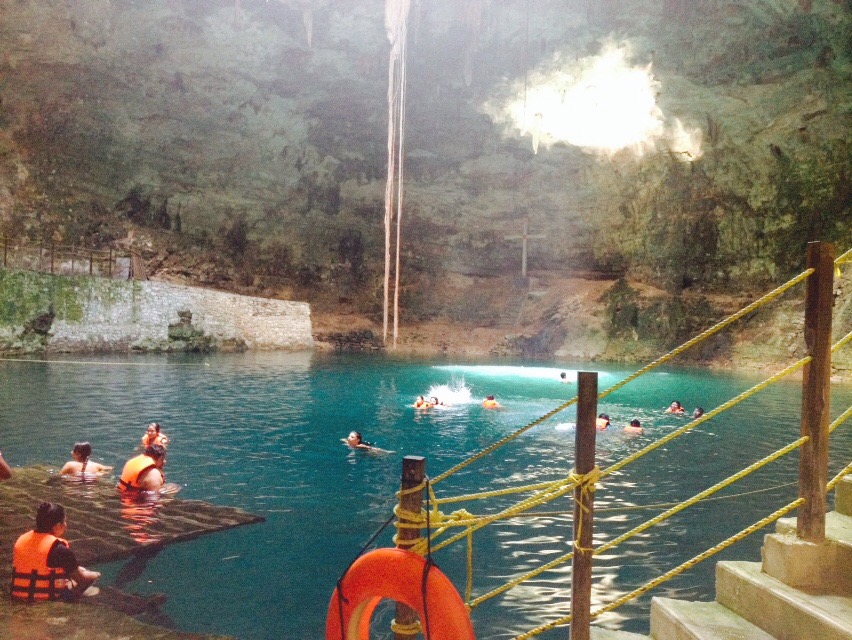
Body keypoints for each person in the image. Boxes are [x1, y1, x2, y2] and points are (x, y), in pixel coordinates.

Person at [11, 502, 101, 602]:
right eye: (64, 521)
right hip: (46, 600)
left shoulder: (21, 540)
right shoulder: (60, 549)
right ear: (57, 526)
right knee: (91, 579)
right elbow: (82, 579)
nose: (66, 525)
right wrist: (96, 575)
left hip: (17, 596)